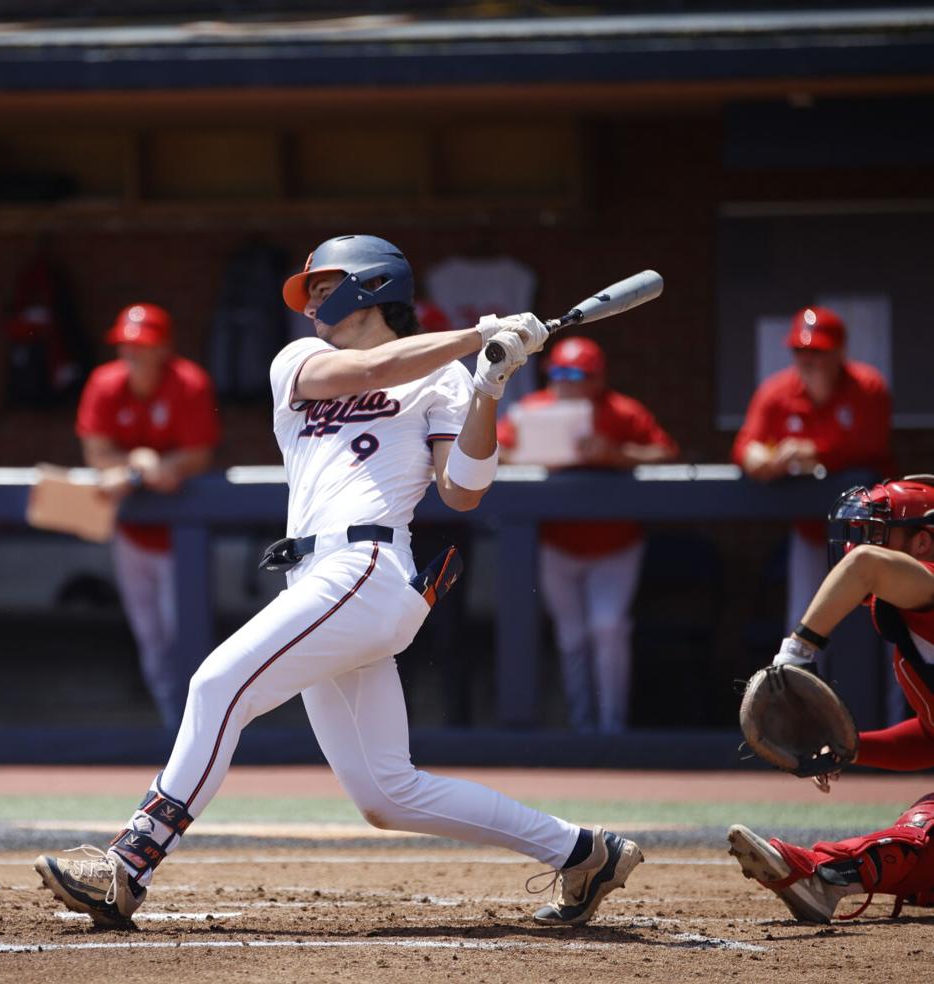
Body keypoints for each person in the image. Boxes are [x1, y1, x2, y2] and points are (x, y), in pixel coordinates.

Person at [35, 234, 642, 930]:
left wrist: (488, 387)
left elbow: (465, 491)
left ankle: (130, 864)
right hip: (316, 577)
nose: (313, 301)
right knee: (388, 794)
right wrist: (478, 333)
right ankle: (582, 851)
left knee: (216, 685)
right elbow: (370, 369)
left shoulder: (444, 379)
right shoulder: (300, 358)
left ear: (373, 285)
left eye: (325, 286)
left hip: (369, 568)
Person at [728, 476, 934, 923]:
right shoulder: (909, 623)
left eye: (881, 532)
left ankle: (823, 873)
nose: (859, 543)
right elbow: (930, 737)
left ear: (922, 542)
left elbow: (866, 564)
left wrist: (796, 653)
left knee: (925, 829)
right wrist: (852, 748)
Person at [497, 338, 678, 733]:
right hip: (556, 544)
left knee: (608, 629)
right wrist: (530, 454)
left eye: (577, 376)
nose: (566, 383)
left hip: (615, 545)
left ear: (598, 379)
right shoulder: (533, 411)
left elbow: (666, 454)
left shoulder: (622, 411)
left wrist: (616, 454)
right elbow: (494, 450)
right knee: (571, 638)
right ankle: (583, 729)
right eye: (559, 374)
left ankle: (612, 730)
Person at [75, 303, 221, 728]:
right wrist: (138, 465)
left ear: (164, 347)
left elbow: (199, 455)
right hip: (133, 534)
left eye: (142, 344)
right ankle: (170, 726)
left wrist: (161, 466)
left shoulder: (189, 382)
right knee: (151, 638)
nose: (131, 353)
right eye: (125, 344)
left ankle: (200, 729)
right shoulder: (105, 383)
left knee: (186, 635)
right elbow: (96, 451)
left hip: (184, 540)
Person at [732, 306, 892, 642]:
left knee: (875, 624)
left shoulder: (867, 385)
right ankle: (803, 695)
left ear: (838, 352)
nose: (807, 360)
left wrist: (815, 451)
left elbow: (872, 443)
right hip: (812, 530)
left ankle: (895, 697)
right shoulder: (777, 391)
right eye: (800, 350)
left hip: (871, 534)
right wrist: (756, 458)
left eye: (817, 351)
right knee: (804, 622)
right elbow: (745, 444)